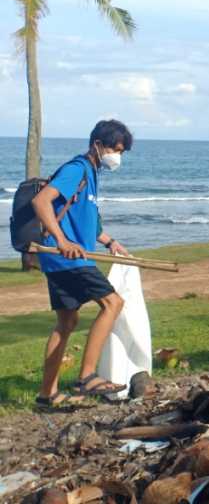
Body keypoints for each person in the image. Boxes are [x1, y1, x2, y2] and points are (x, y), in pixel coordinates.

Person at [32, 120, 133, 409]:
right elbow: (42, 202)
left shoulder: (91, 173)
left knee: (67, 322)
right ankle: (87, 376)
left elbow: (83, 219)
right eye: (115, 149)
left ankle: (46, 395)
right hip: (67, 257)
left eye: (122, 151)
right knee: (113, 304)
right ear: (97, 145)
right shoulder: (76, 169)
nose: (118, 156)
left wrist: (109, 241)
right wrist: (62, 240)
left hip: (67, 257)